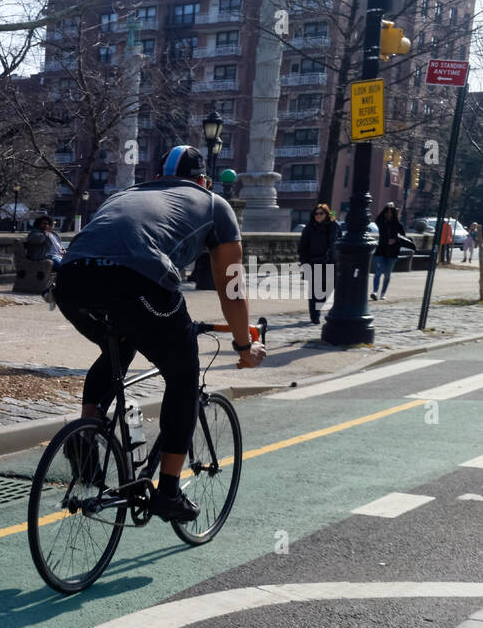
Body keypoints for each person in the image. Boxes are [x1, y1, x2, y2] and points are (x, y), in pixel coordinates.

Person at [50, 144, 266, 524]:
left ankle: (86, 435)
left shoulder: (129, 194)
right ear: (203, 181)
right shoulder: (214, 204)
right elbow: (231, 288)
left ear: (159, 177)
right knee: (183, 376)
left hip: (70, 281)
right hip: (137, 284)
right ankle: (168, 492)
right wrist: (244, 344)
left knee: (119, 346)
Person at [298, 202, 339, 323]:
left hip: (330, 263)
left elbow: (338, 243)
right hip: (314, 262)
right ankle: (314, 316)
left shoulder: (333, 227)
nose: (318, 216)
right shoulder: (309, 228)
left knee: (328, 288)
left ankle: (318, 308)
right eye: (316, 213)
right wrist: (304, 261)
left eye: (320, 213)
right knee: (314, 292)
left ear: (326, 214)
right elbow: (302, 247)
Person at [372, 203, 407, 302]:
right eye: (387, 212)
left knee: (387, 274)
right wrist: (387, 206)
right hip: (381, 250)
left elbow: (403, 237)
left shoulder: (398, 224)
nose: (388, 214)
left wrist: (395, 240)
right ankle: (375, 292)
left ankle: (383, 293)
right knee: (378, 272)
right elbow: (377, 218)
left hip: (392, 252)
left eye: (390, 212)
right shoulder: (382, 222)